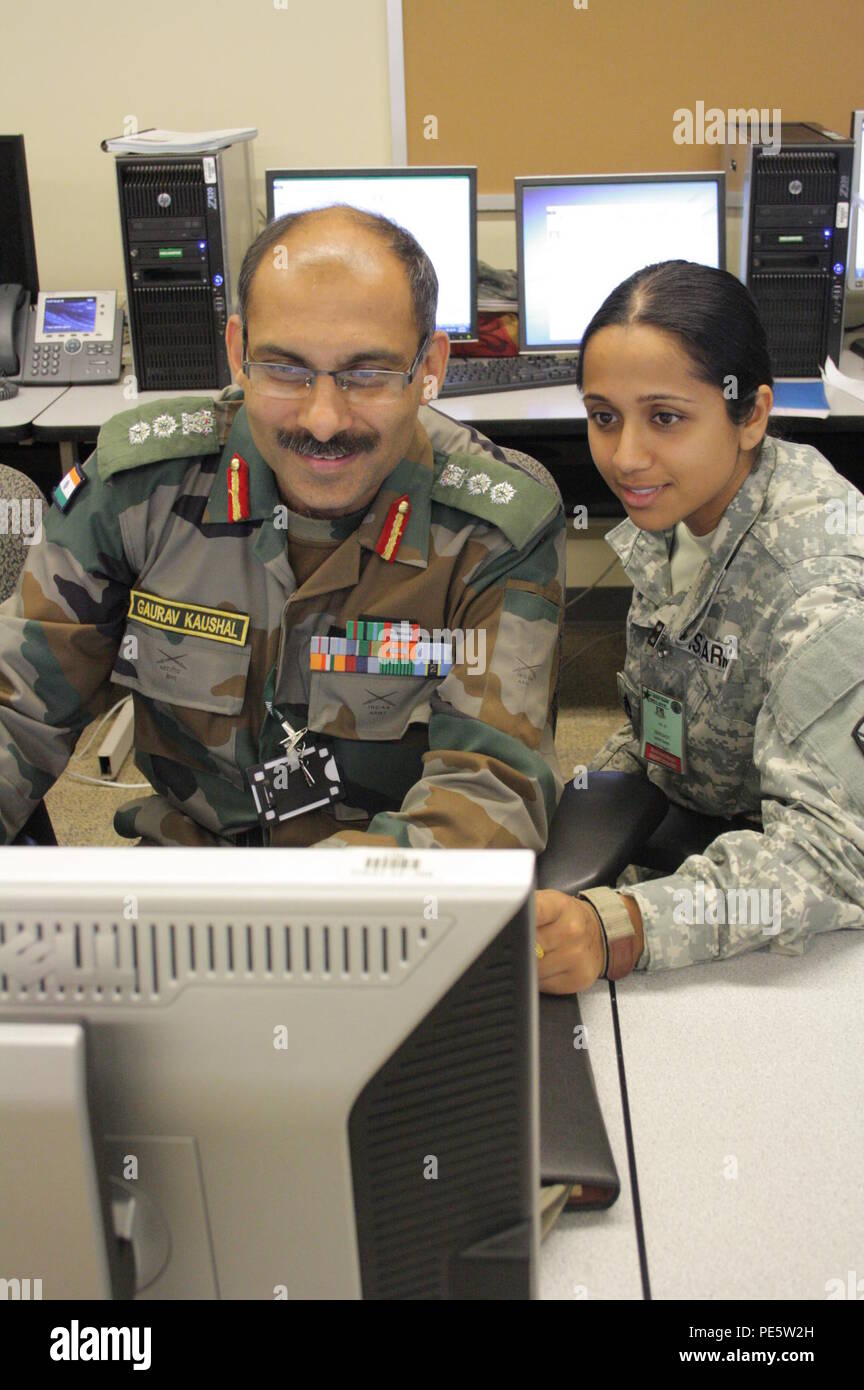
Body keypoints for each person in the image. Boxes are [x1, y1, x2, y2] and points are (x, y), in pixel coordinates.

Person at [0, 206, 566, 849]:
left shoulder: (493, 533)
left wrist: (304, 902)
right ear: (238, 354)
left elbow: (487, 793)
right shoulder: (139, 491)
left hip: (387, 895)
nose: (323, 420)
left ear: (429, 366)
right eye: (286, 370)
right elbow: (16, 706)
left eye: (367, 374)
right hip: (186, 876)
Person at [536, 260, 864, 992]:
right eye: (604, 417)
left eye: (665, 418)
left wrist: (625, 926)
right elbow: (663, 720)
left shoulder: (821, 587)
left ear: (751, 415)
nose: (626, 458)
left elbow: (832, 857)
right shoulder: (682, 510)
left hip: (797, 896)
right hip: (699, 811)